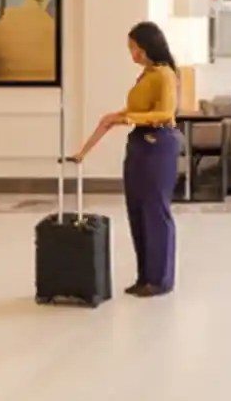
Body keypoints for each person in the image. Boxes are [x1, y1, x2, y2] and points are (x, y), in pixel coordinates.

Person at [71, 21, 181, 298]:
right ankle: (144, 276)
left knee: (156, 210)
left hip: (159, 144)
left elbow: (165, 113)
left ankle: (160, 279)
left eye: (133, 48)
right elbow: (136, 109)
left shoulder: (165, 75)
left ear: (146, 48)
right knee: (136, 209)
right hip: (139, 143)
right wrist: (116, 118)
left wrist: (126, 118)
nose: (131, 53)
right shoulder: (146, 75)